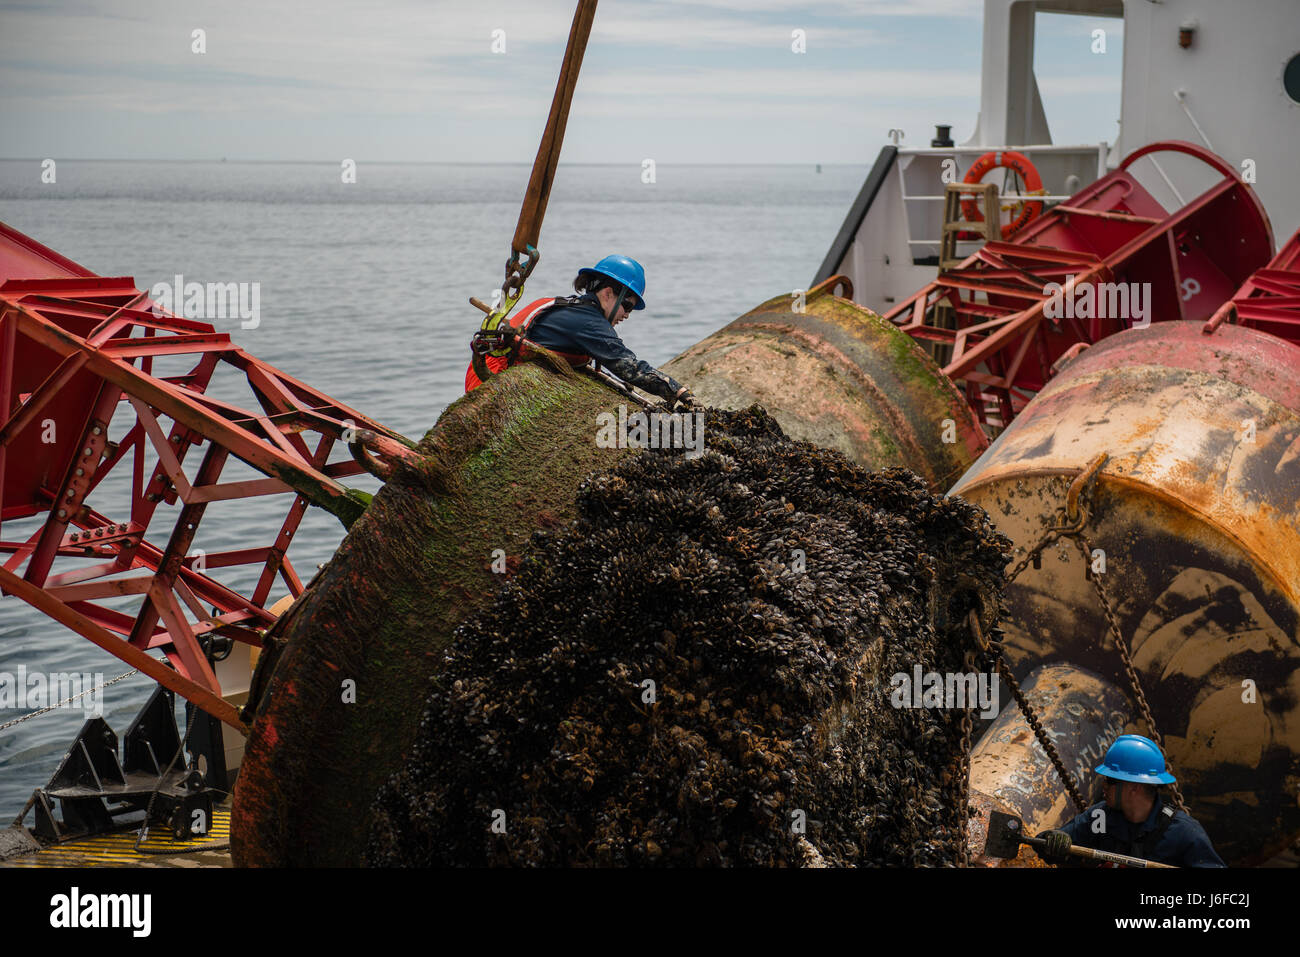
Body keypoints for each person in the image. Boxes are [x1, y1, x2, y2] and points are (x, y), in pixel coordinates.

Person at [465, 254, 695, 409]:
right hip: (495, 383)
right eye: (628, 306)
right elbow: (629, 367)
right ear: (607, 294)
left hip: (489, 373)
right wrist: (678, 391)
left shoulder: (567, 307)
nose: (627, 314)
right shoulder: (588, 322)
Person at [1039, 734, 1224, 868]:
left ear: (1135, 787)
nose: (1103, 785)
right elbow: (1047, 843)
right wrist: (1052, 841)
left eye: (1111, 780)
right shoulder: (1100, 818)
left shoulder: (1182, 833)